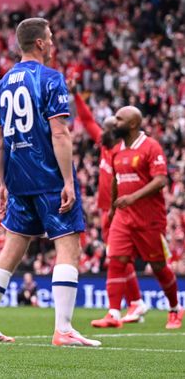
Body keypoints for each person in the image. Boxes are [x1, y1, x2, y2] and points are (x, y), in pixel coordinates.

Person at [0, 17, 100, 347]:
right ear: (40, 43)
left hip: (18, 178)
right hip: (48, 175)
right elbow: (60, 133)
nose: (53, 43)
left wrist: (3, 183)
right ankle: (64, 329)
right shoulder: (51, 79)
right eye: (50, 38)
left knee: (11, 249)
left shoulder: (2, 84)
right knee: (68, 246)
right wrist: (68, 180)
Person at [71, 86, 148, 326]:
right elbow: (86, 120)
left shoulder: (121, 150)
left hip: (121, 210)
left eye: (106, 129)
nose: (101, 132)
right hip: (108, 210)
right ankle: (135, 302)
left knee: (118, 256)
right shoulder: (106, 146)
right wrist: (76, 95)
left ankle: (129, 305)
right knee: (119, 257)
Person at [102, 106, 182, 329]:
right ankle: (113, 313)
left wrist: (133, 197)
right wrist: (112, 208)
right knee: (116, 259)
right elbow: (116, 180)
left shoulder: (151, 147)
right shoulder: (117, 150)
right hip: (123, 216)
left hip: (149, 218)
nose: (114, 123)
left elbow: (161, 180)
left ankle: (175, 308)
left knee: (158, 266)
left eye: (119, 119)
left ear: (133, 124)